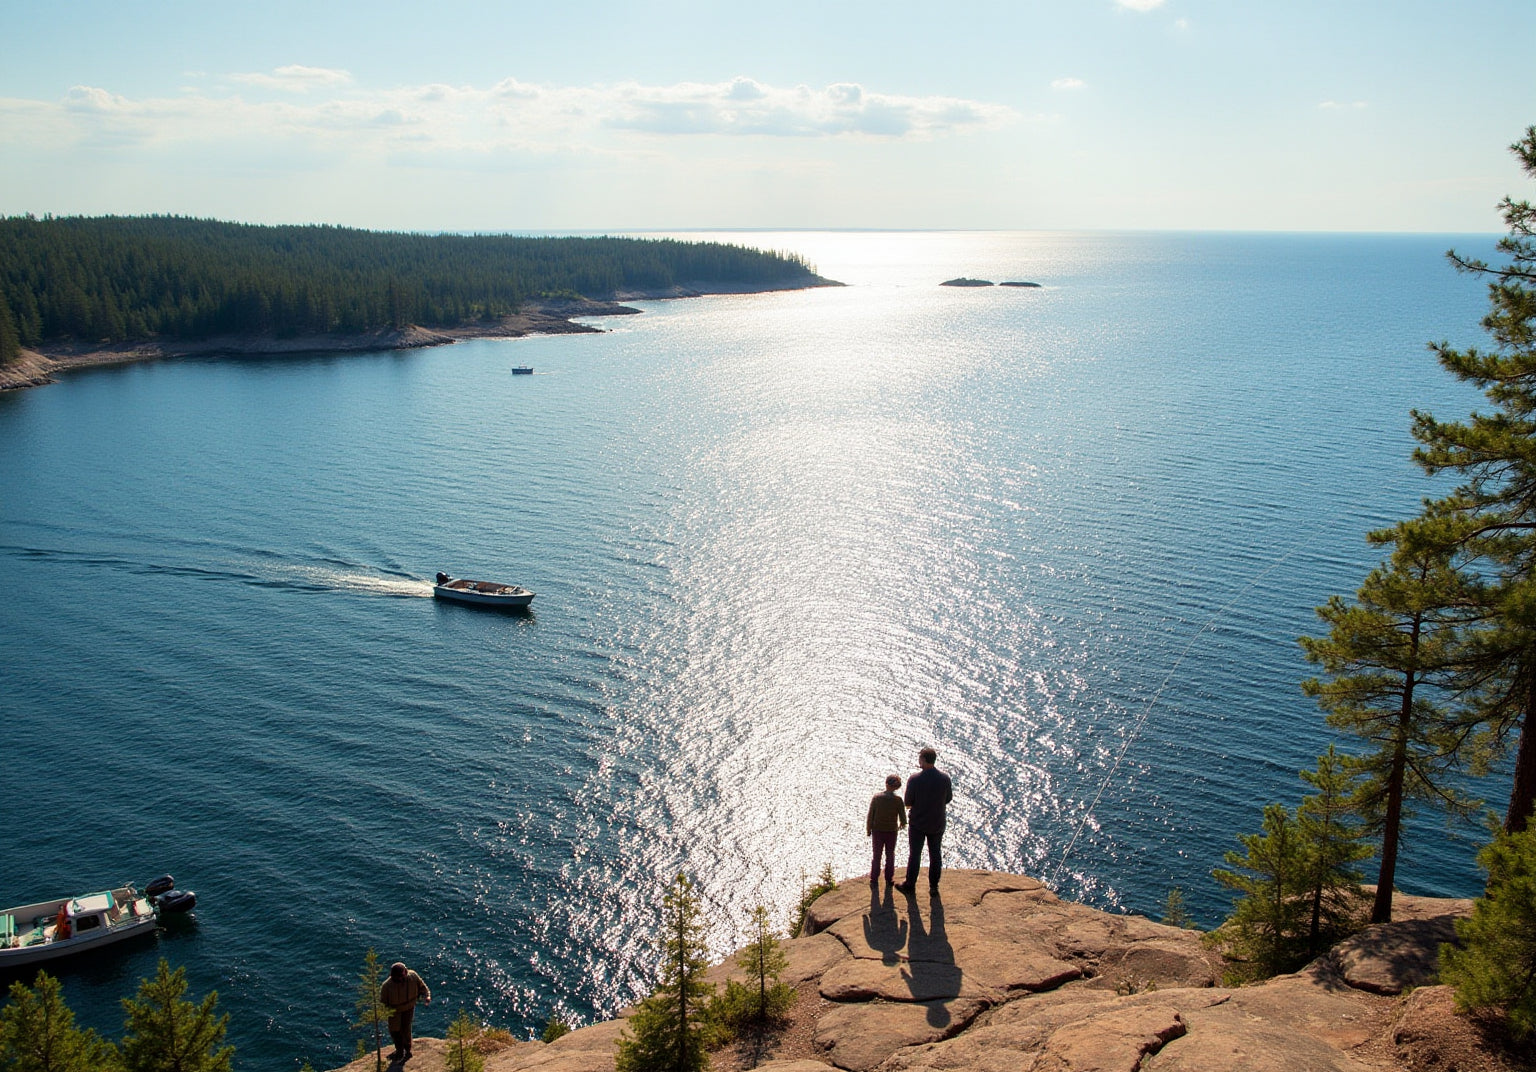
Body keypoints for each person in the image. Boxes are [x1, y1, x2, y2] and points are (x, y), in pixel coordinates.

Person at [895, 747, 953, 894]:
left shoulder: (915, 779)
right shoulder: (944, 778)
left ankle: (910, 885)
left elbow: (908, 802)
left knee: (915, 854)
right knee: (935, 854)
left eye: (920, 758)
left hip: (918, 823)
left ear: (924, 760)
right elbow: (948, 799)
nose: (918, 760)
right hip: (937, 822)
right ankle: (934, 887)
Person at [380, 961, 431, 1060]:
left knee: (406, 1029)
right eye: (398, 977)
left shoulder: (412, 976)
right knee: (395, 1031)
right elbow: (383, 1002)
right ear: (393, 976)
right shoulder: (387, 986)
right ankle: (399, 1051)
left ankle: (407, 1050)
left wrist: (427, 996)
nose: (401, 979)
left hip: (409, 1007)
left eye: (402, 976)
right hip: (394, 1011)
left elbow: (423, 987)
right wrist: (385, 1012)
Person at [866, 774, 907, 885]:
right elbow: (903, 817)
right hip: (891, 831)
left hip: (877, 830)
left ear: (886, 783)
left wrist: (868, 828)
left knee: (876, 855)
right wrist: (902, 824)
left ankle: (874, 879)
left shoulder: (877, 798)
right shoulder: (898, 800)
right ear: (897, 787)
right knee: (890, 854)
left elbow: (870, 815)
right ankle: (889, 878)